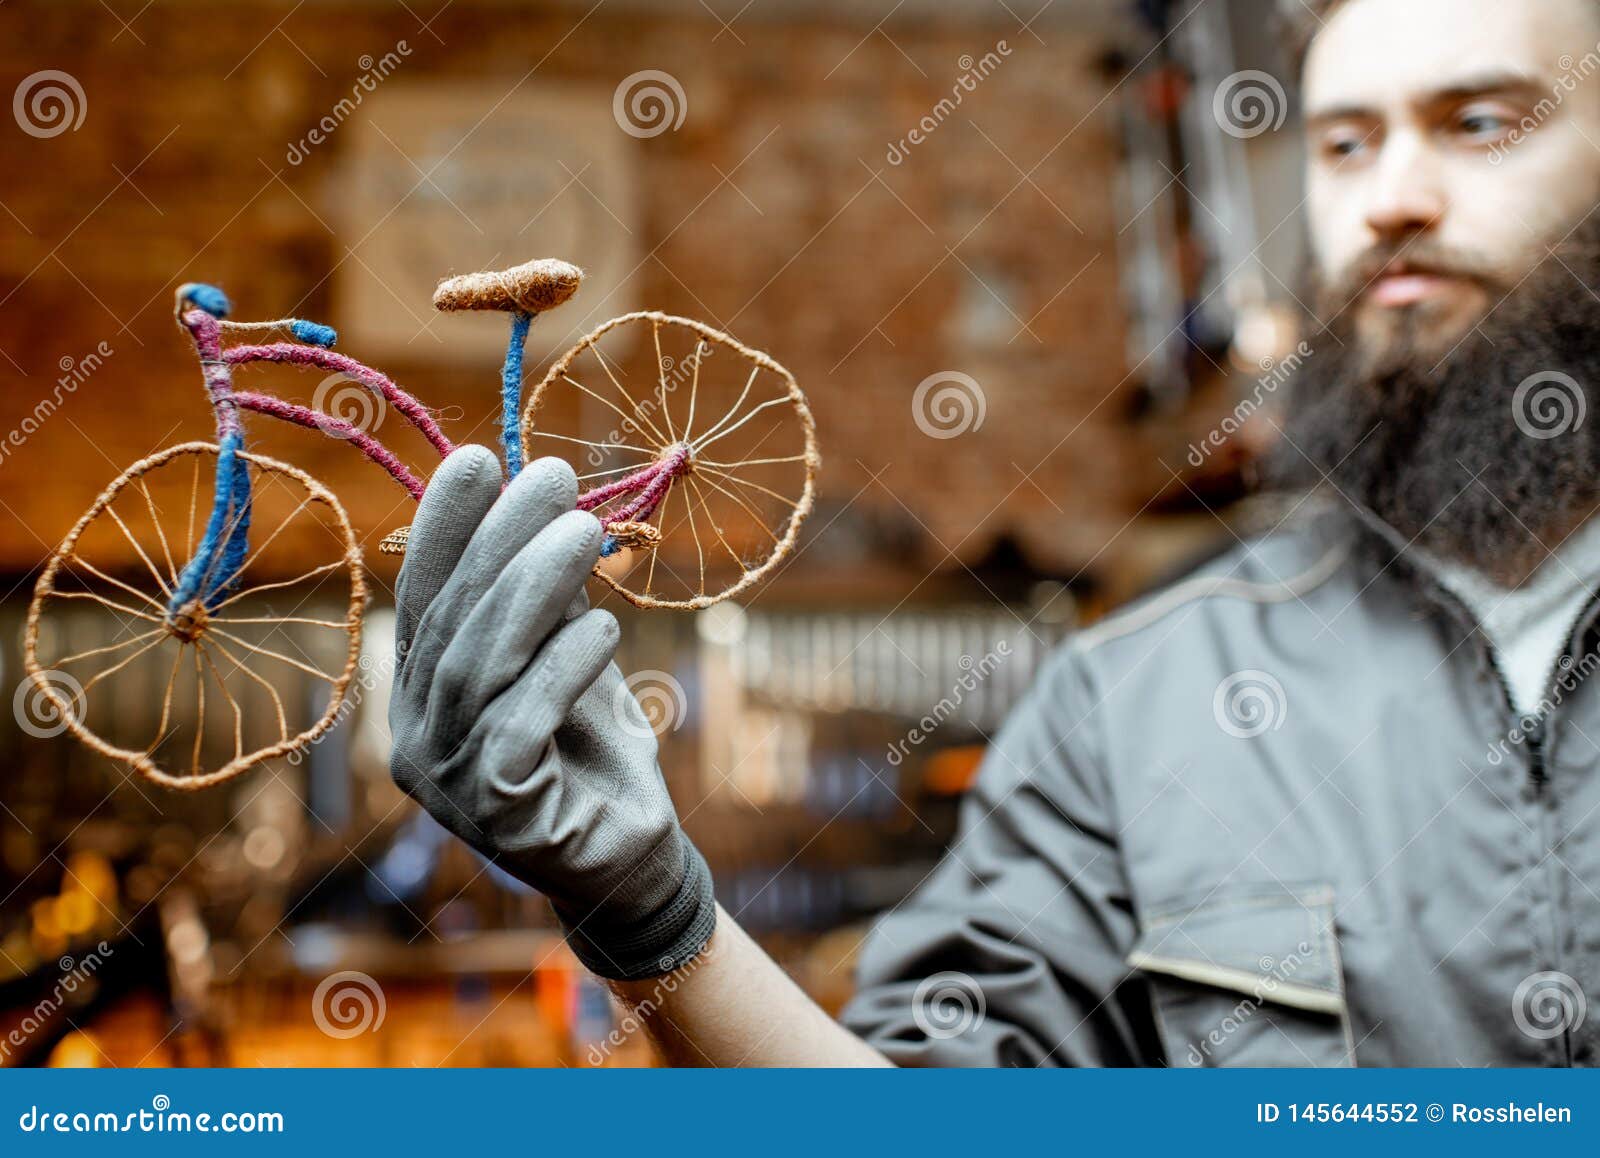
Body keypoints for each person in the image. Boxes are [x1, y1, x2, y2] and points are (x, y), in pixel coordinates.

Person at [387, 0, 1600, 1066]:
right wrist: (650, 912)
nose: (1390, 198)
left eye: (1479, 123)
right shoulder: (1133, 709)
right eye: (1343, 143)